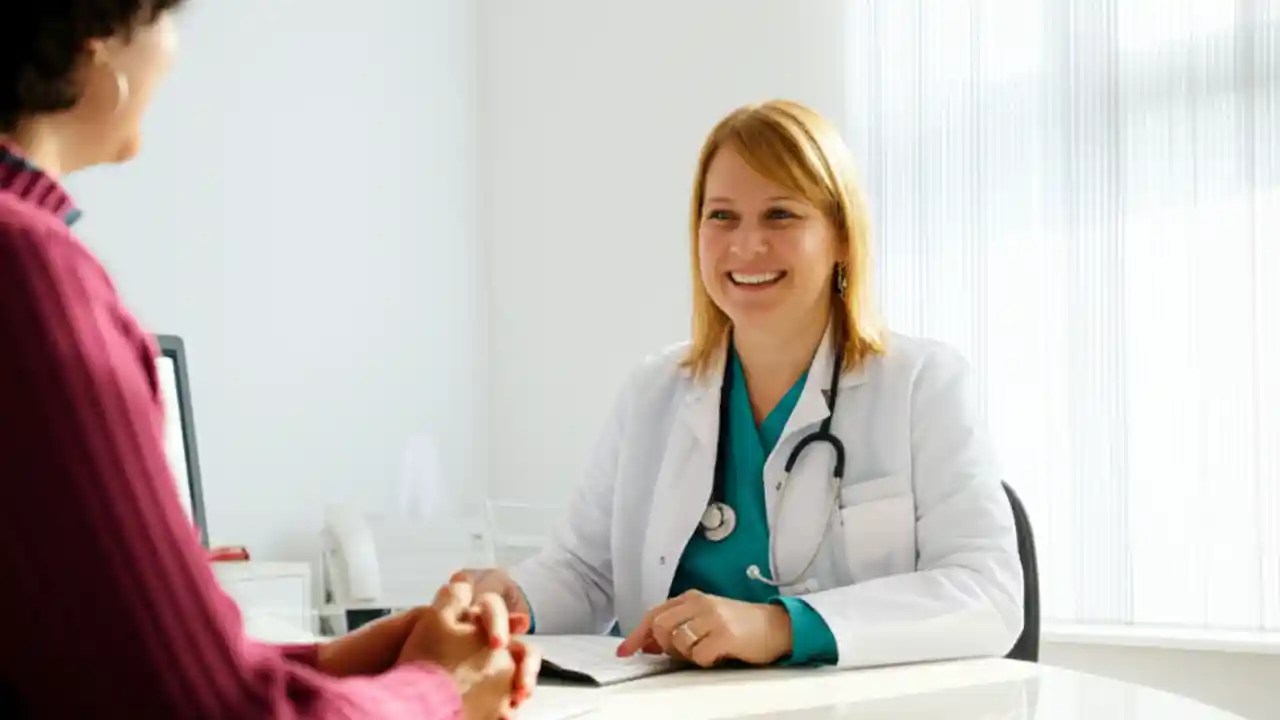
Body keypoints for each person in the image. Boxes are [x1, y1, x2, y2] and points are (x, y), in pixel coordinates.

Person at [0, 3, 538, 718]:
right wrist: (441, 691)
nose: (175, 54)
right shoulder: (28, 274)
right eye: (172, 21)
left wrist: (340, 659)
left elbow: (85, 661)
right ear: (95, 38)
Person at [458, 100, 1024, 670]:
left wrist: (778, 626)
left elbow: (987, 593)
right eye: (722, 216)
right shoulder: (652, 394)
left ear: (842, 237)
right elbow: (582, 571)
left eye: (781, 215)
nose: (746, 245)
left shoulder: (921, 385)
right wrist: (514, 600)